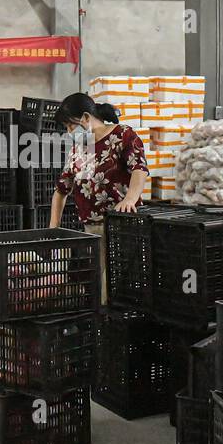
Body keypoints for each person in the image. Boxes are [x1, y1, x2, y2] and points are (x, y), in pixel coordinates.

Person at [50, 92, 149, 301]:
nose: (69, 132)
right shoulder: (79, 150)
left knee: (115, 287)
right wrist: (54, 228)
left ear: (86, 117)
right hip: (92, 230)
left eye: (70, 125)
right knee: (98, 287)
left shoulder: (123, 135)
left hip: (121, 227)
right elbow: (61, 190)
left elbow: (139, 169)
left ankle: (112, 323)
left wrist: (130, 199)